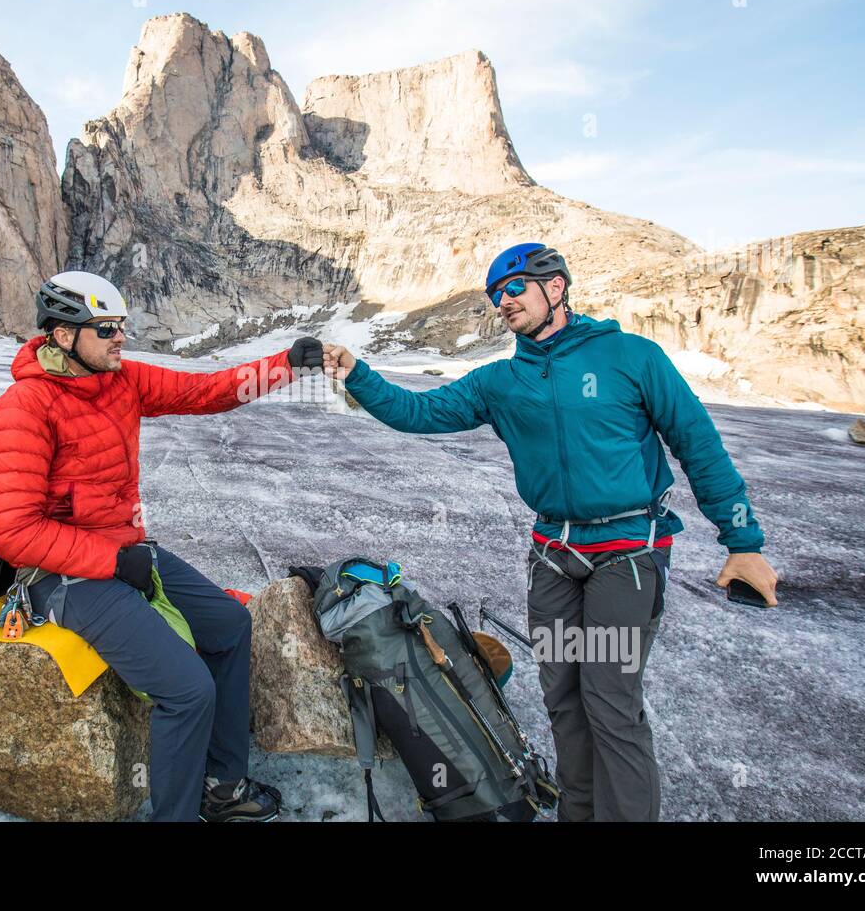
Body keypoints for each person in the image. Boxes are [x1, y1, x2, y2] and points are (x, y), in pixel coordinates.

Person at [322, 242, 779, 822]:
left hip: (628, 553)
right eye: (495, 295)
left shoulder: (631, 357)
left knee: (610, 703)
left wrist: (743, 543)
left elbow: (698, 444)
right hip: (554, 559)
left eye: (515, 288)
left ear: (555, 288)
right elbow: (419, 413)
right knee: (564, 701)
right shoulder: (501, 382)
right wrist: (357, 375)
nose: (504, 302)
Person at [0, 270, 324, 821]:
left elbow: (204, 392)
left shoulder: (121, 381)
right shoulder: (24, 409)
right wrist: (114, 560)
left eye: (121, 326)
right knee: (187, 690)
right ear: (64, 336)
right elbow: (14, 533)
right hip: (61, 576)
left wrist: (284, 366)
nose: (121, 338)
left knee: (229, 625)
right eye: (106, 329)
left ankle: (222, 785)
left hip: (125, 555)